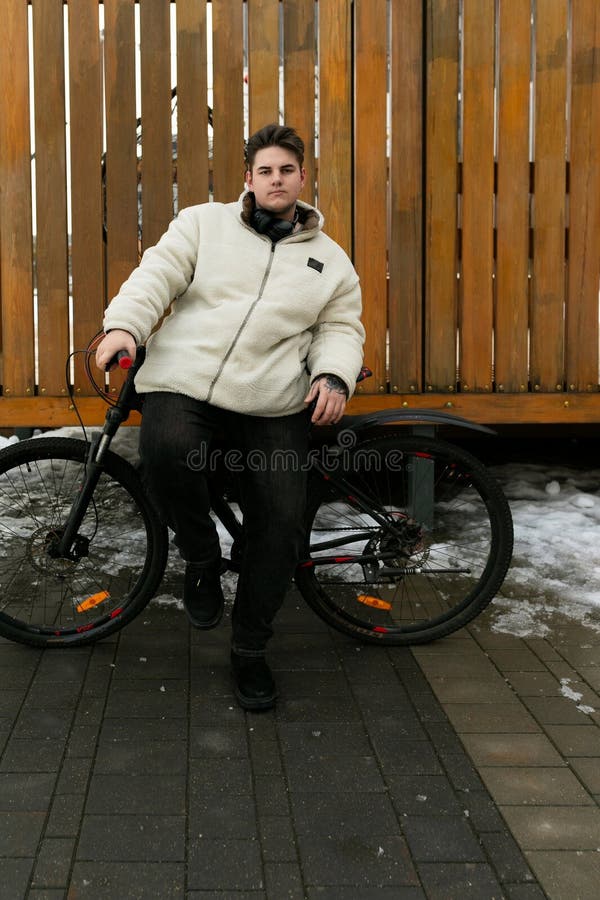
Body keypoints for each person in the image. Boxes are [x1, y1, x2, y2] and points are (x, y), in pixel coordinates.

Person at [95, 123, 364, 710]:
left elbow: (340, 329)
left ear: (301, 177)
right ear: (248, 178)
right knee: (164, 454)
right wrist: (124, 326)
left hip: (272, 400)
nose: (276, 179)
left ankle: (249, 651)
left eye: (286, 170)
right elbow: (156, 275)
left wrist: (333, 374)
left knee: (284, 522)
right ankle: (200, 558)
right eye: (265, 170)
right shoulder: (202, 224)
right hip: (184, 381)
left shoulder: (330, 260)